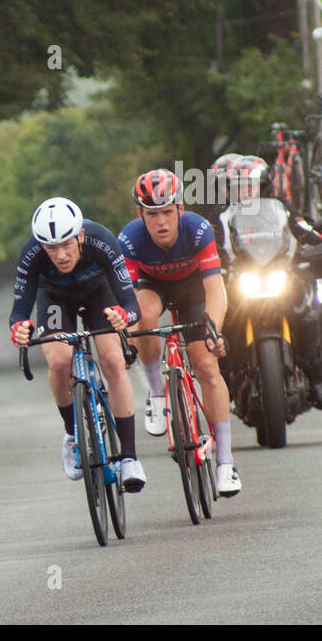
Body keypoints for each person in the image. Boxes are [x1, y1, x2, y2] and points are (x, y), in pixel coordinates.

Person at [9, 197, 146, 491]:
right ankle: (73, 435)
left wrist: (125, 316)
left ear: (80, 235)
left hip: (100, 293)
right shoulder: (31, 253)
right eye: (51, 248)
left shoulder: (102, 240)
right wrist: (19, 329)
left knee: (112, 361)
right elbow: (19, 312)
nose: (60, 255)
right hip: (55, 298)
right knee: (59, 362)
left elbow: (132, 304)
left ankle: (129, 459)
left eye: (67, 245)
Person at [118, 169, 241, 497]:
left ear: (180, 210)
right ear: (140, 213)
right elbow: (127, 301)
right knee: (143, 315)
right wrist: (127, 337)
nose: (161, 222)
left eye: (167, 213)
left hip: (192, 291)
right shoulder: (129, 239)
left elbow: (215, 289)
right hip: (151, 287)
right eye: (152, 214)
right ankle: (157, 393)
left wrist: (214, 330)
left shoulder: (198, 230)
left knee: (206, 367)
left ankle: (226, 462)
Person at [215, 155, 322, 410]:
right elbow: (208, 245)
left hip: (279, 276)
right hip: (240, 280)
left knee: (310, 312)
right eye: (238, 187)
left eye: (249, 185)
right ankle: (222, 379)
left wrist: (321, 246)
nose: (244, 192)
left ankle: (316, 378)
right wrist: (215, 265)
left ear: (264, 186)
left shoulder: (283, 210)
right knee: (219, 321)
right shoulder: (222, 217)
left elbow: (307, 233)